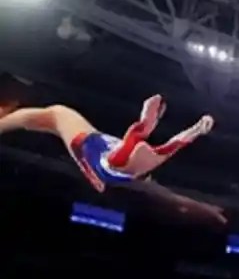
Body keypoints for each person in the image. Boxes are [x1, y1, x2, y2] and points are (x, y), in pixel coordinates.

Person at [0, 95, 225, 224]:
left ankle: (143, 127)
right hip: (99, 155)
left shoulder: (130, 170)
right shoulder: (142, 166)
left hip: (96, 152)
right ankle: (143, 128)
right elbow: (176, 147)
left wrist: (194, 129)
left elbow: (175, 196)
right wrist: (197, 130)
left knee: (55, 115)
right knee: (47, 119)